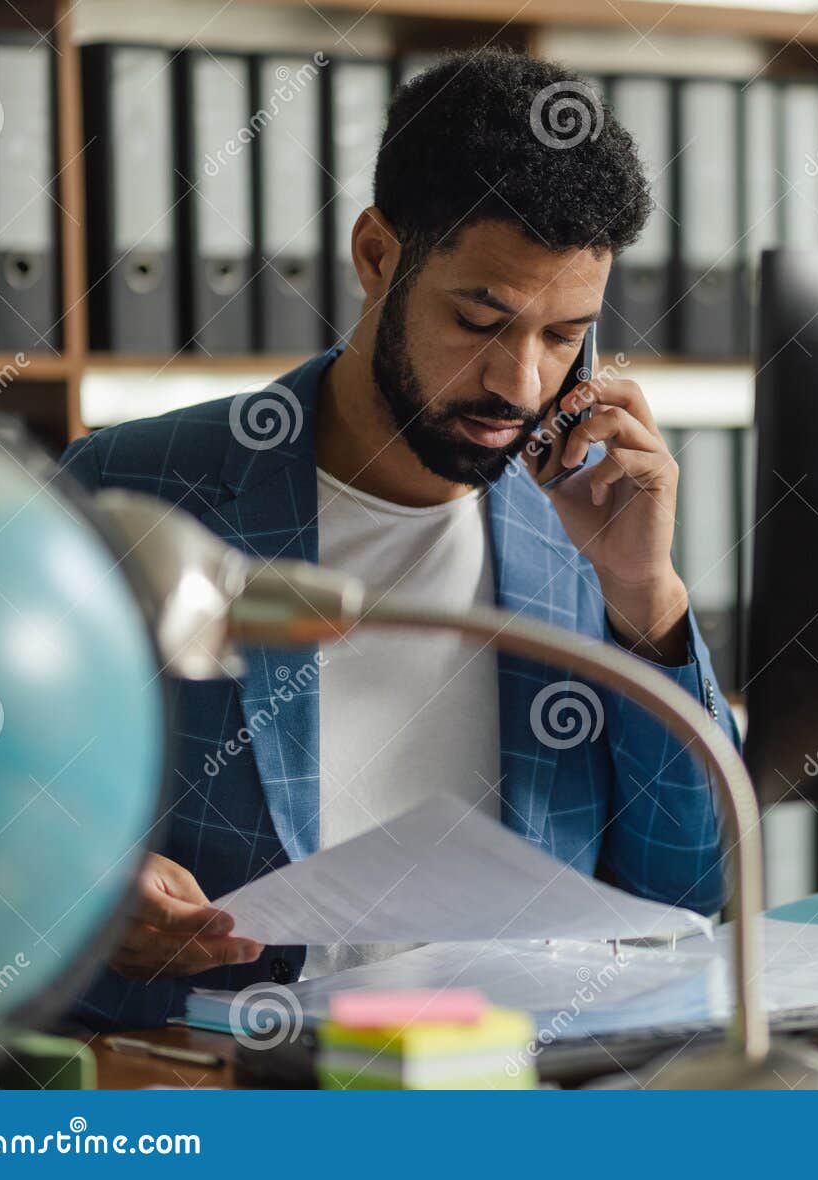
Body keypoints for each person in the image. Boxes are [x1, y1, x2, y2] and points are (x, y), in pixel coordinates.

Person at [60, 49, 736, 1029]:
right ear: (378, 256)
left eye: (563, 336)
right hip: (225, 1081)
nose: (520, 383)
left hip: (507, 1079)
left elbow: (690, 884)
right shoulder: (129, 495)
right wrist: (83, 885)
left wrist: (647, 594)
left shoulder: (588, 530)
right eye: (480, 319)